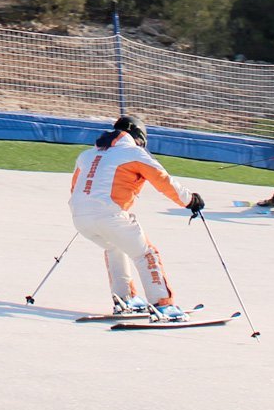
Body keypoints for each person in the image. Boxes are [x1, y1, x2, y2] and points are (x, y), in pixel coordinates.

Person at [68, 114, 205, 320]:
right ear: (137, 136)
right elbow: (163, 182)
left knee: (114, 246)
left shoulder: (87, 155)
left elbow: (75, 187)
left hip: (80, 217)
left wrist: (89, 211)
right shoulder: (134, 154)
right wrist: (190, 200)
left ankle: (125, 298)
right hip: (110, 215)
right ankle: (163, 305)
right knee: (146, 254)